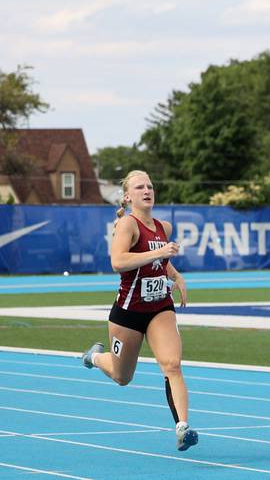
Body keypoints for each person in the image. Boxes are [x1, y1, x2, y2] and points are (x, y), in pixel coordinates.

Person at [80, 170, 200, 451]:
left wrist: (176, 276)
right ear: (128, 196)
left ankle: (182, 427)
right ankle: (95, 357)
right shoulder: (127, 225)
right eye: (139, 187)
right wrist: (160, 253)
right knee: (123, 377)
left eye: (150, 185)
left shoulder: (164, 227)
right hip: (128, 313)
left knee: (172, 365)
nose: (147, 190)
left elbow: (160, 262)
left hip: (160, 308)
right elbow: (118, 261)